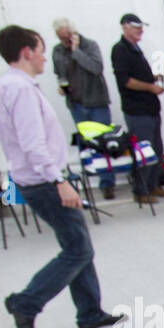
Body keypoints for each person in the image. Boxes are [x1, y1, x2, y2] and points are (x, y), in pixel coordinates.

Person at [0, 25, 124, 328]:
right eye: (40, 51)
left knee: (77, 243)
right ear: (26, 52)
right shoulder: (21, 90)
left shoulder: (9, 85)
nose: (44, 58)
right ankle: (26, 303)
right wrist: (60, 181)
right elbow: (33, 145)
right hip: (43, 181)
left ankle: (89, 312)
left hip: (35, 178)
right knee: (78, 249)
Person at [50, 18, 115, 199]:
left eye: (67, 37)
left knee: (102, 142)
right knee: (86, 143)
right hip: (76, 103)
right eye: (61, 38)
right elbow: (59, 73)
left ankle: (107, 183)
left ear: (74, 34)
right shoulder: (57, 51)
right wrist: (61, 85)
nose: (64, 41)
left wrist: (76, 51)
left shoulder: (90, 45)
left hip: (96, 101)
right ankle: (88, 180)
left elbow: (96, 68)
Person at [111, 12, 164, 202]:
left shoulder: (135, 49)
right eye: (137, 27)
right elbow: (126, 81)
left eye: (141, 27)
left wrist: (153, 77)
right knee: (144, 151)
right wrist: (150, 87)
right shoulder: (120, 50)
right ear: (125, 27)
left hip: (150, 108)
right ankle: (141, 191)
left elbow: (136, 75)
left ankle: (152, 185)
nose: (141, 31)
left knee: (156, 149)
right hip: (137, 110)